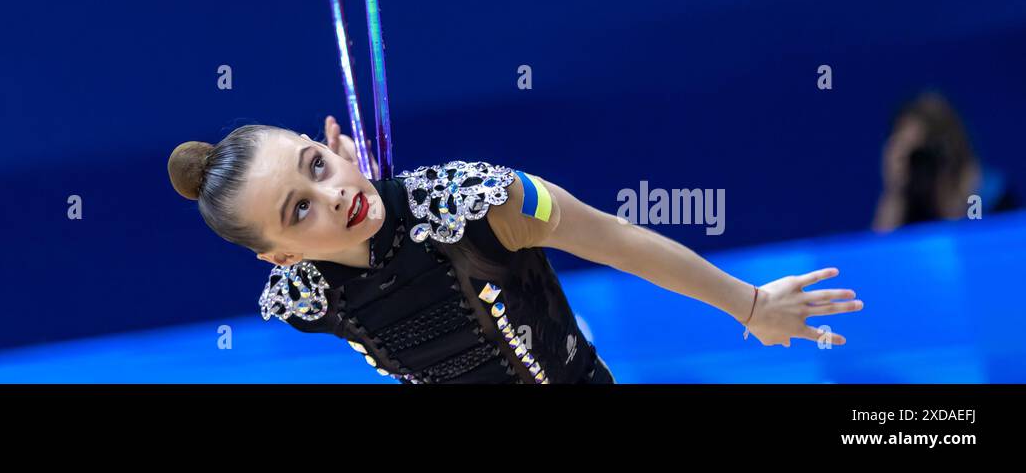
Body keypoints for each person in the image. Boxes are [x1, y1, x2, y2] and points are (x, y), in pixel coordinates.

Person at [170, 116, 865, 383]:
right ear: (280, 257)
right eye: (299, 210)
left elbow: (614, 239)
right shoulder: (301, 299)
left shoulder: (476, 202)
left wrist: (748, 304)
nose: (331, 194)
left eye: (317, 163)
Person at [873, 91, 1021, 232]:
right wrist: (894, 190)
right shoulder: (910, 205)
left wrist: (961, 191)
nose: (922, 164)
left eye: (925, 153)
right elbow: (881, 252)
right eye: (914, 156)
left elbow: (974, 242)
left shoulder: (987, 194)